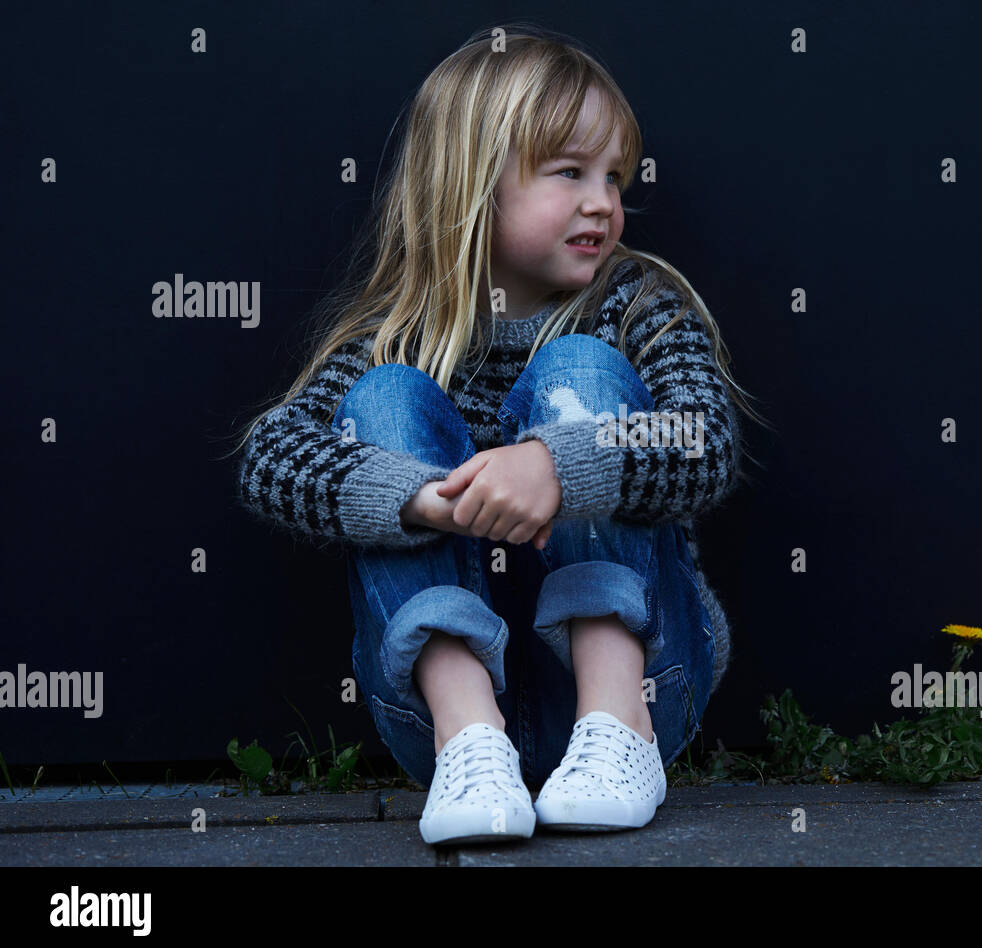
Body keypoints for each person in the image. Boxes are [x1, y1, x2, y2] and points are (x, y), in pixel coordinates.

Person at [230, 23, 770, 846]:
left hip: (647, 687)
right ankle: (470, 739)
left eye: (613, 177)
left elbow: (704, 438)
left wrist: (559, 465)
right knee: (385, 396)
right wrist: (423, 501)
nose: (604, 202)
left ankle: (619, 728)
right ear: (475, 187)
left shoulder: (635, 304)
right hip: (448, 723)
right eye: (569, 173)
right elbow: (271, 457)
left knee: (582, 370)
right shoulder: (401, 331)